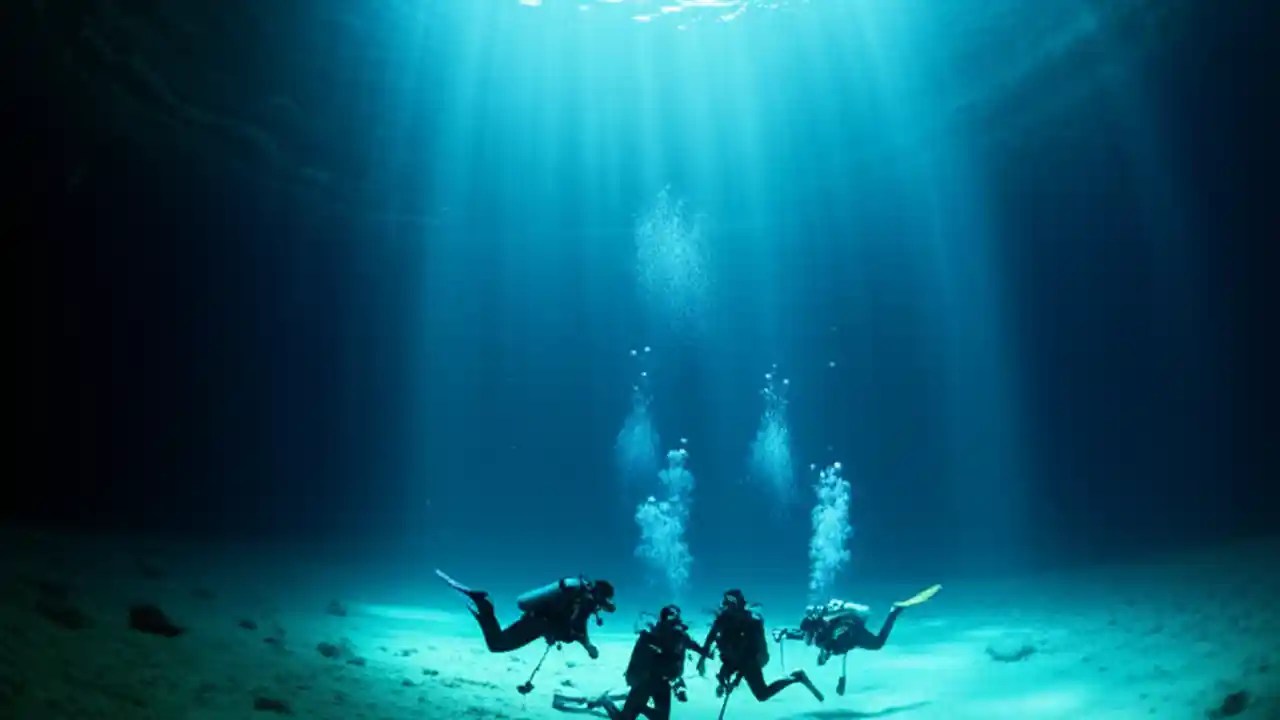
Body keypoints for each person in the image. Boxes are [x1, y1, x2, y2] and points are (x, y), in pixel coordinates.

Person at [773, 584, 941, 695]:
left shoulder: (824, 639)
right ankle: (893, 612)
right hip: (852, 629)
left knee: (878, 643)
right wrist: (784, 633)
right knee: (872, 642)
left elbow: (834, 641)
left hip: (854, 631)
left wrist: (842, 680)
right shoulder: (819, 635)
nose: (808, 641)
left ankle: (894, 611)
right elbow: (801, 635)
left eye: (822, 657)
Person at [554, 604, 709, 720]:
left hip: (663, 683)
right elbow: (638, 660)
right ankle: (606, 702)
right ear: (663, 620)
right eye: (671, 619)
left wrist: (705, 652)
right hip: (645, 682)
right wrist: (634, 677)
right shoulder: (650, 637)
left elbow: (693, 646)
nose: (675, 624)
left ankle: (638, 707)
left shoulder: (682, 637)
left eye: (677, 618)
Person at [437, 569, 616, 658]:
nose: (604, 606)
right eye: (606, 601)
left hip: (537, 622)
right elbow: (578, 627)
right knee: (497, 644)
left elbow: (570, 623)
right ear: (600, 595)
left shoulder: (580, 596)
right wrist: (588, 647)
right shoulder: (584, 602)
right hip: (538, 624)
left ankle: (484, 606)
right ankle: (484, 604)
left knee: (497, 643)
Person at [696, 589, 824, 703]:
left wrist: (737, 679)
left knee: (762, 695)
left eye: (728, 605)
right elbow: (711, 638)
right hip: (731, 660)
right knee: (725, 677)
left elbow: (750, 653)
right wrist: (702, 659)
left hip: (749, 661)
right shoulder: (722, 620)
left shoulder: (751, 624)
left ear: (735, 605)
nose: (725, 608)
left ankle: (796, 676)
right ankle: (723, 685)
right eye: (725, 605)